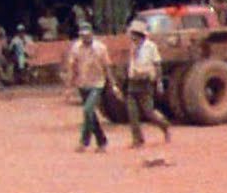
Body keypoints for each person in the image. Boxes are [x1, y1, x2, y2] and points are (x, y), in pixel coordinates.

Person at [122, 19, 171, 147]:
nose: (132, 36)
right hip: (133, 81)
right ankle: (137, 139)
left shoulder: (150, 47)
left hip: (146, 81)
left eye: (134, 34)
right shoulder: (133, 47)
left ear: (140, 34)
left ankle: (163, 125)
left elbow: (157, 64)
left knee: (148, 111)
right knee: (132, 112)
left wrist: (159, 82)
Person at [68, 22, 114, 152]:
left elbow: (107, 67)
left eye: (87, 35)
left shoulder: (100, 48)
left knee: (87, 110)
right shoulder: (76, 48)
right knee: (90, 114)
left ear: (92, 34)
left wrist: (113, 83)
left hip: (97, 83)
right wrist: (70, 85)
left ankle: (84, 141)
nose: (85, 37)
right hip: (82, 83)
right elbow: (73, 66)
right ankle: (101, 141)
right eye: (82, 35)